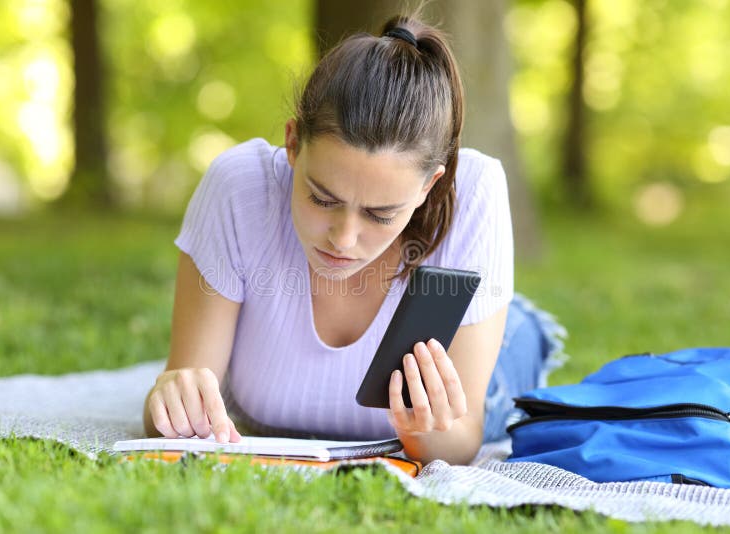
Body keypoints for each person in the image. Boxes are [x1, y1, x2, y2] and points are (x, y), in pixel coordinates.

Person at [143, 13, 567, 466]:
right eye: (322, 198)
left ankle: (521, 322)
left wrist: (422, 431)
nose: (343, 239)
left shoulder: (474, 192)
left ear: (429, 187)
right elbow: (178, 407)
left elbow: (462, 442)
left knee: (513, 342)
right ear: (291, 143)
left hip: (493, 353)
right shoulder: (239, 189)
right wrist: (171, 401)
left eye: (381, 214)